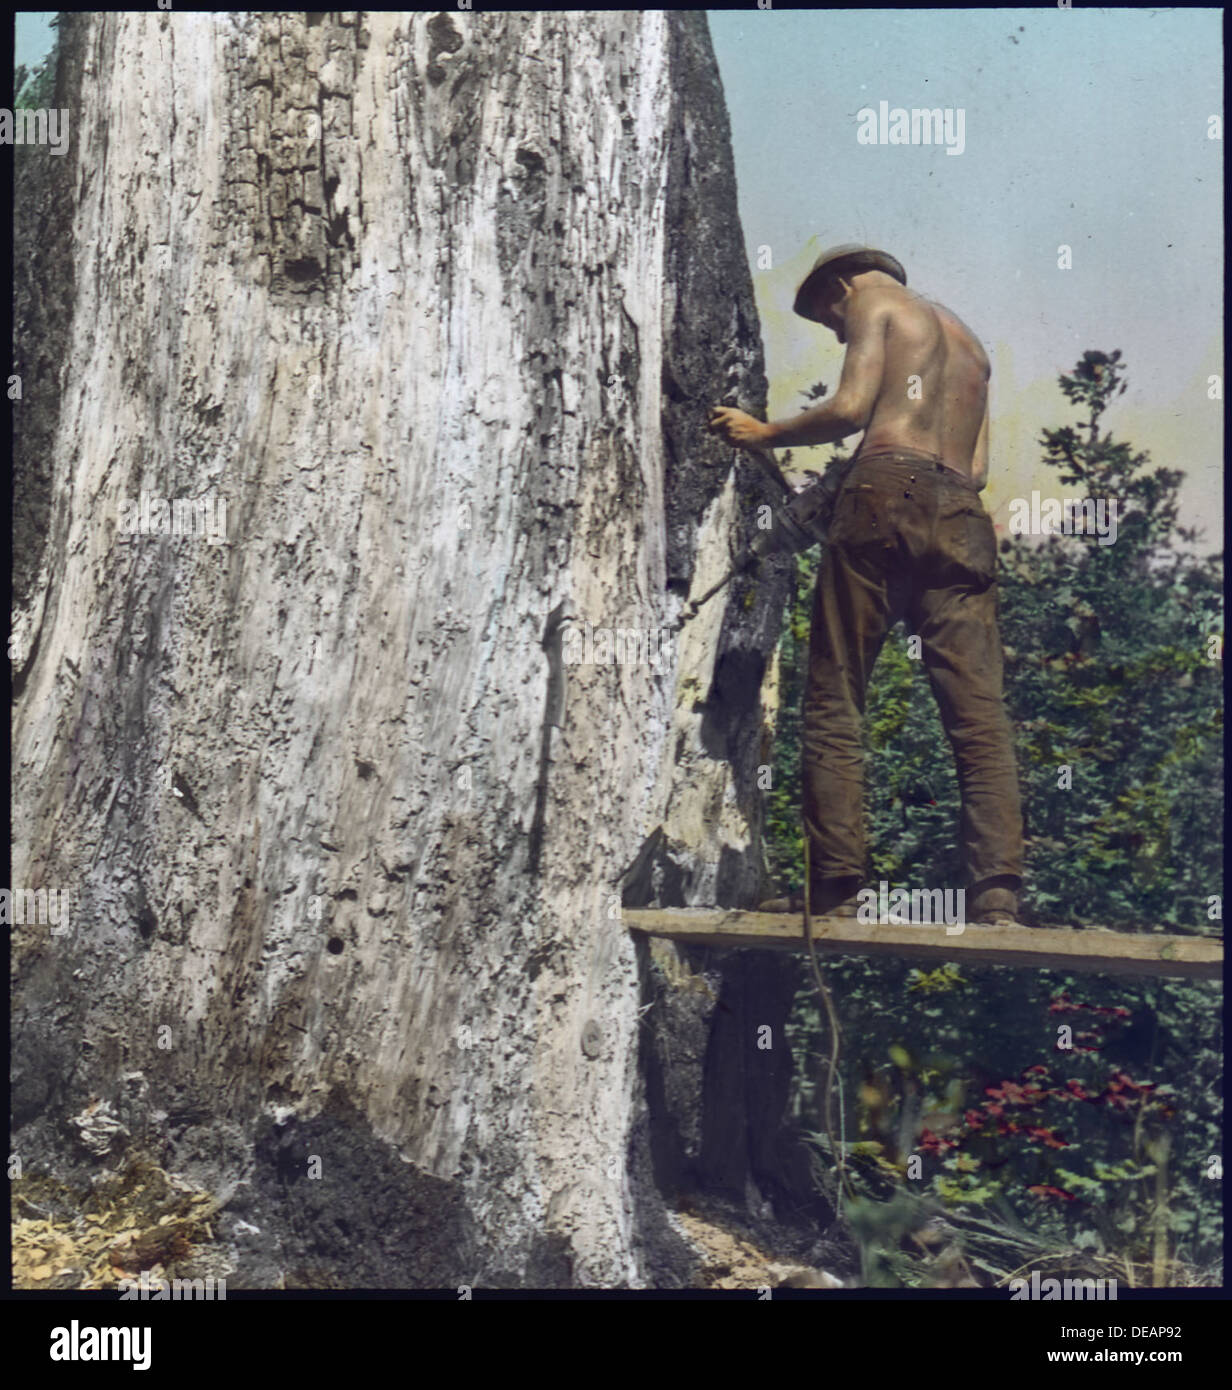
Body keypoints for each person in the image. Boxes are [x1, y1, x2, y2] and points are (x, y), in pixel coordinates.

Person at [708, 244, 1023, 925]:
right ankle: (998, 892)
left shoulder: (875, 302)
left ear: (840, 288)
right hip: (962, 516)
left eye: (829, 322)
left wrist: (765, 432)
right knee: (978, 713)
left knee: (837, 691)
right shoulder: (970, 346)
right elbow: (975, 469)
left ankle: (836, 888)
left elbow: (851, 409)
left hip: (884, 494)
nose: (836, 331)